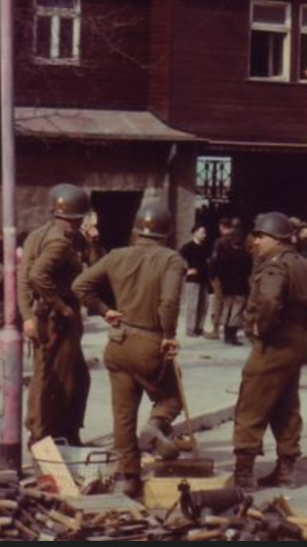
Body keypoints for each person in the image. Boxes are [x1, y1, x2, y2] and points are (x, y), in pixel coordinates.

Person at [73, 200, 185, 500]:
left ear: (137, 230)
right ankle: (154, 427)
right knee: (172, 400)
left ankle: (131, 480)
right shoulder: (171, 259)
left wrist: (104, 310)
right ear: (166, 232)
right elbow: (169, 302)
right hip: (150, 343)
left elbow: (81, 285)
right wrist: (170, 335)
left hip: (118, 343)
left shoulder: (116, 256)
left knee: (122, 415)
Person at [232, 212, 307, 490]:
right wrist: (303, 329)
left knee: (252, 402)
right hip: (296, 341)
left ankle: (244, 473)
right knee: (286, 405)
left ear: (276, 238)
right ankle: (286, 471)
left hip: (274, 341)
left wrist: (262, 328)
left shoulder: (274, 267)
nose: (256, 241)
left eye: (261, 236)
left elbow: (269, 300)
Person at [19, 184, 93, 447]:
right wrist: (61, 307)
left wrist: (27, 314)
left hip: (45, 315)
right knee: (54, 380)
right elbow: (36, 275)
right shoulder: (60, 242)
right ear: (76, 215)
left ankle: (63, 431)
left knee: (75, 377)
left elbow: (24, 277)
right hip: (56, 318)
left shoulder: (39, 235)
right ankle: (45, 437)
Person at [213, 220, 253, 345]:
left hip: (227, 285)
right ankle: (232, 336)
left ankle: (226, 335)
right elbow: (249, 270)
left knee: (226, 309)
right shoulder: (246, 255)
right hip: (240, 286)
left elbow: (217, 266)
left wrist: (217, 278)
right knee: (237, 311)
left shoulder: (225, 253)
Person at [180, 225, 212, 337]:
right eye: (202, 232)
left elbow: (209, 261)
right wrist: (185, 271)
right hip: (193, 279)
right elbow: (178, 260)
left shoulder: (206, 247)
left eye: (205, 233)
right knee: (193, 305)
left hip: (204, 278)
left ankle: (199, 327)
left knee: (203, 305)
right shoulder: (187, 247)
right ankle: (190, 328)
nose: (204, 235)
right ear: (195, 233)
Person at [205, 218, 234, 340]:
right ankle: (230, 330)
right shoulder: (238, 240)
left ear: (222, 227)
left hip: (220, 276)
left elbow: (214, 260)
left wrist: (211, 275)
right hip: (233, 277)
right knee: (231, 303)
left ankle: (215, 329)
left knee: (218, 303)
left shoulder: (220, 242)